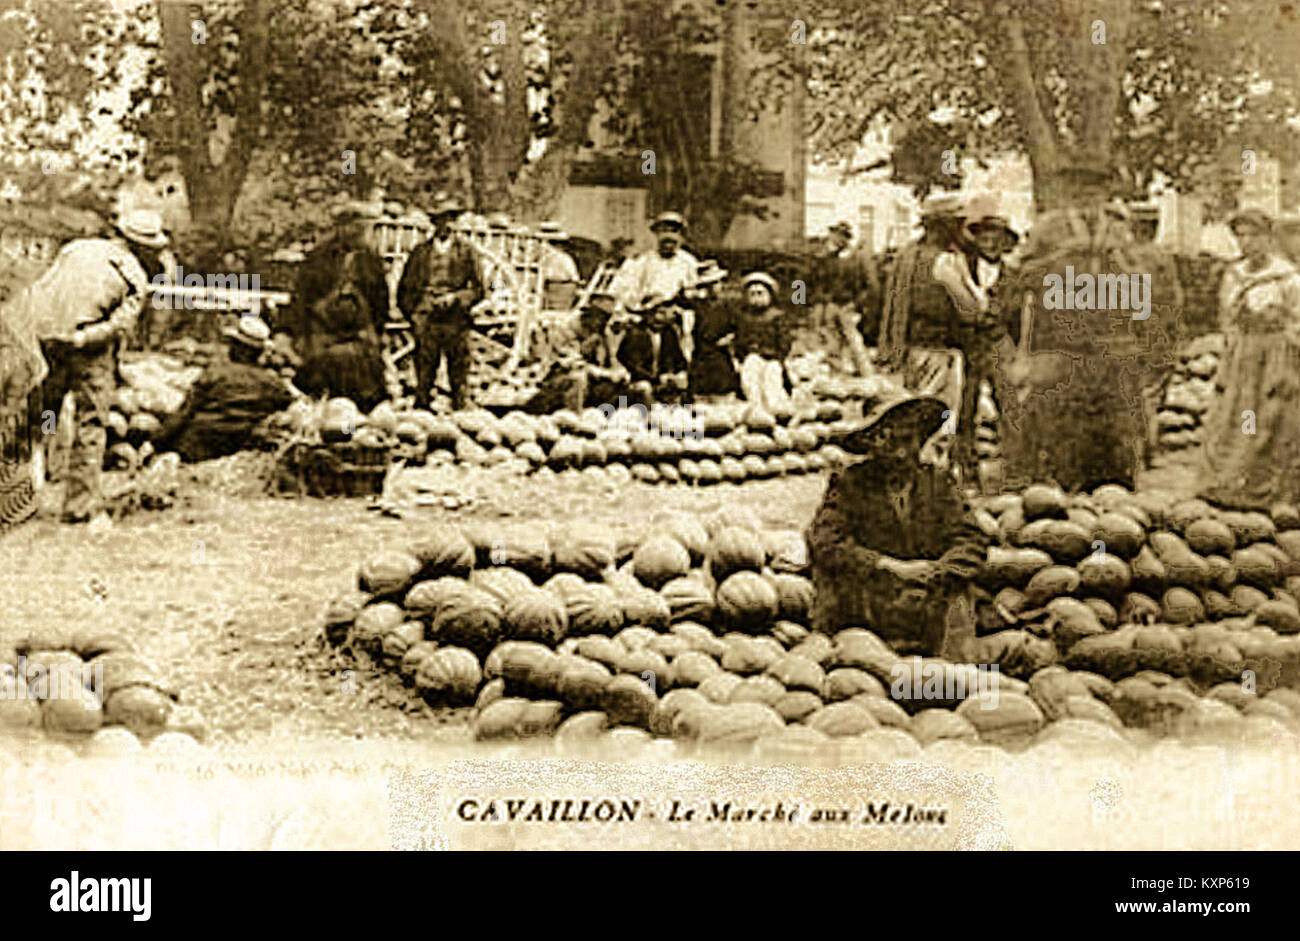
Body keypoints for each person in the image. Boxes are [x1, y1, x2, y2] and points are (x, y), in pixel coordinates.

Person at [8, 208, 167, 523]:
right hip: (88, 347)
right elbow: (118, 326)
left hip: (46, 338)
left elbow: (42, 290)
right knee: (90, 423)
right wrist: (81, 339)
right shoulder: (136, 276)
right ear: (145, 248)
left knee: (41, 413)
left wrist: (43, 332)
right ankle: (78, 506)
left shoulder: (76, 248)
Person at [807, 395, 990, 657]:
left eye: (908, 440)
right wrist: (888, 566)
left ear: (920, 439)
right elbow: (824, 542)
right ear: (873, 443)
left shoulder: (939, 483)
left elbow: (972, 539)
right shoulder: (851, 482)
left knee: (958, 605)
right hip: (874, 598)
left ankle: (946, 675)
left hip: (929, 596)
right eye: (891, 442)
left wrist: (938, 570)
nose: (902, 452)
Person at [1200, 207, 1300, 509]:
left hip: (1274, 357)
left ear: (1268, 238)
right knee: (1236, 416)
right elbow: (1225, 316)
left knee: (1270, 418)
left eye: (1253, 236)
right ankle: (1230, 482)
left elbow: (1297, 320)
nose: (1246, 243)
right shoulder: (1234, 275)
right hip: (1241, 357)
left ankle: (1263, 489)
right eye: (1241, 237)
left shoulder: (1287, 279)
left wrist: (1282, 333)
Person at [286, 202, 390, 410]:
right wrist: (294, 332)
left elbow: (380, 296)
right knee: (324, 365)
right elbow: (301, 296)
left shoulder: (370, 258)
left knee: (366, 364)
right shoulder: (319, 256)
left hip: (359, 326)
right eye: (356, 228)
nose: (361, 233)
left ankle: (361, 408)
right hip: (324, 325)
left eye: (363, 229)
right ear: (342, 227)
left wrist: (379, 329)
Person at [155, 315, 298, 463]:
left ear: (238, 348)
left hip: (196, 450)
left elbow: (185, 412)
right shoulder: (273, 384)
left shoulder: (215, 373)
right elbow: (291, 404)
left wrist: (155, 442)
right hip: (239, 451)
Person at [398, 193, 484, 410]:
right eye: (443, 220)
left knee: (458, 364)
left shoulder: (467, 252)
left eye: (452, 219)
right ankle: (423, 404)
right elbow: (405, 288)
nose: (448, 225)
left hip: (456, 316)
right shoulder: (420, 252)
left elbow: (479, 288)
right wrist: (415, 314)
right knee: (425, 364)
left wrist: (456, 298)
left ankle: (459, 405)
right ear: (435, 223)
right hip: (427, 318)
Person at [610, 211, 703, 362]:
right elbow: (628, 291)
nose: (669, 236)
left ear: (681, 236)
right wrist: (641, 305)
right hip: (648, 315)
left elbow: (697, 292)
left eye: (674, 232)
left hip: (679, 317)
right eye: (664, 231)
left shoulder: (689, 263)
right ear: (657, 234)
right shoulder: (643, 261)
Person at [732, 271, 796, 415]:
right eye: (752, 294)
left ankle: (774, 411)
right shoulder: (744, 317)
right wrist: (742, 356)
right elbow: (739, 340)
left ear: (769, 295)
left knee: (771, 383)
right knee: (750, 377)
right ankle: (755, 410)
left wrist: (776, 357)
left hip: (772, 359)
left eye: (760, 293)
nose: (756, 298)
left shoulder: (777, 316)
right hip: (751, 359)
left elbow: (785, 342)